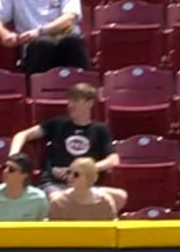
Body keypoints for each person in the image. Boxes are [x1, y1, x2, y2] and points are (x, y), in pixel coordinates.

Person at [8, 82, 126, 212]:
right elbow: (22, 135)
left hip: (85, 187)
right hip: (55, 184)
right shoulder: (58, 123)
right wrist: (14, 156)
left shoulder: (100, 129)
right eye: (70, 101)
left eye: (76, 101)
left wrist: (81, 170)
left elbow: (113, 159)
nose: (70, 105)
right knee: (59, 201)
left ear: (89, 103)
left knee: (120, 196)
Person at [0, 0, 88, 74]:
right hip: (36, 47)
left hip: (64, 40)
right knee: (43, 44)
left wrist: (40, 31)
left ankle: (85, 92)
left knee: (72, 41)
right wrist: (5, 34)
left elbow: (70, 17)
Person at [0, 151, 49, 221]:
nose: (5, 171)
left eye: (11, 169)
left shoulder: (39, 198)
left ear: (24, 175)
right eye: (4, 167)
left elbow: (41, 226)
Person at [47, 156, 116, 220]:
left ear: (90, 177)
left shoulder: (105, 202)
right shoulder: (58, 202)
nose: (70, 177)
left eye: (76, 174)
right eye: (69, 172)